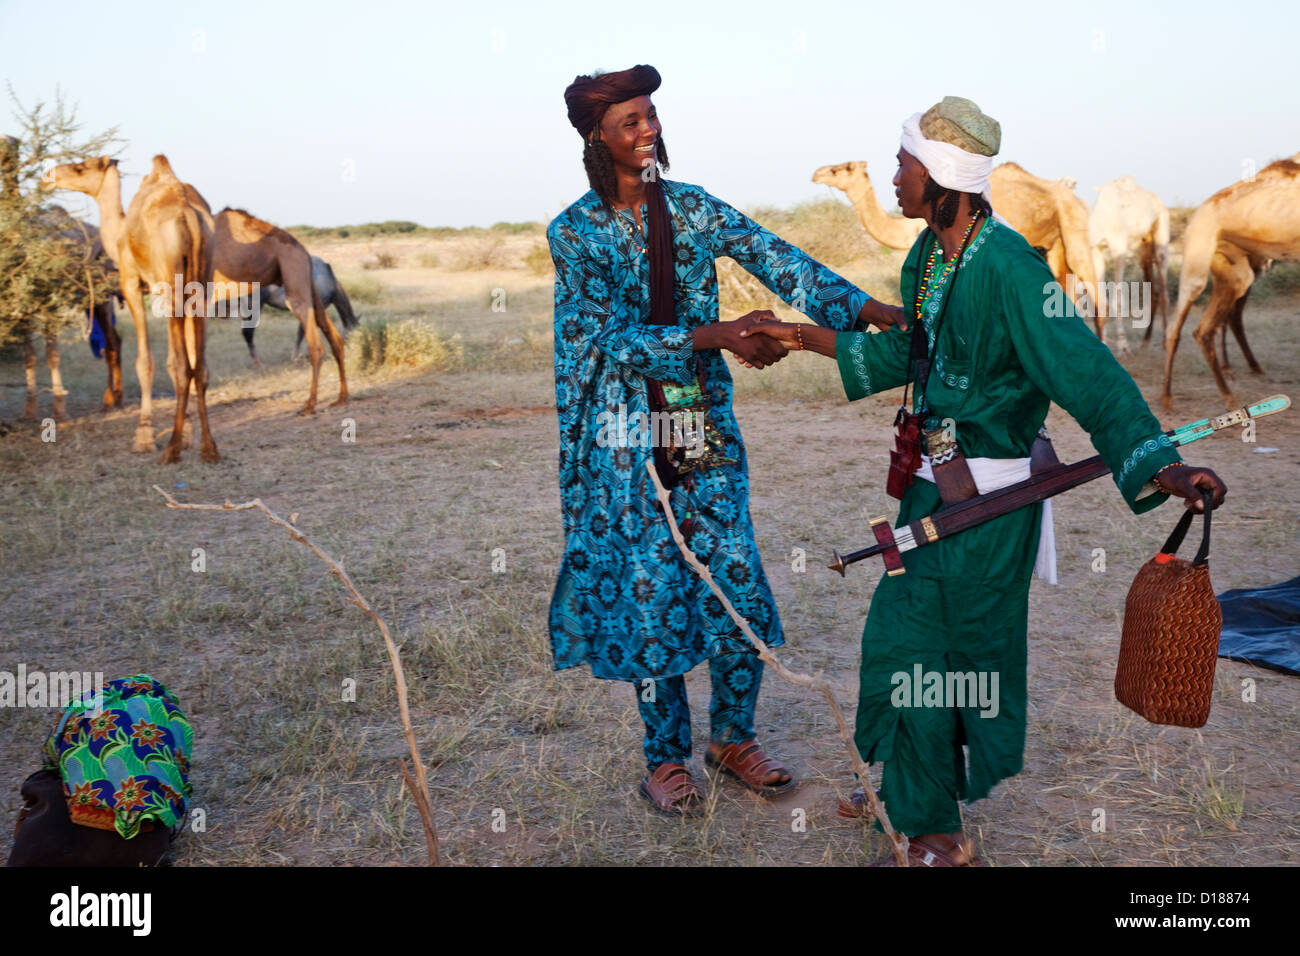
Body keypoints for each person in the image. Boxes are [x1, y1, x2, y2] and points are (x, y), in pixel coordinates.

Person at [743, 96, 1227, 865]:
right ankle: (911, 800)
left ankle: (937, 831)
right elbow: (916, 358)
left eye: (903, 164)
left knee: (944, 653)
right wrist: (799, 336)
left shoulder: (1007, 267)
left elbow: (1087, 371)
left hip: (991, 507)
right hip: (935, 490)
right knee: (917, 646)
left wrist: (1160, 464)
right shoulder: (932, 257)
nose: (894, 176)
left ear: (941, 177)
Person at [548, 64, 902, 814]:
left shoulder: (694, 208)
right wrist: (722, 334)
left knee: (735, 577)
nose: (649, 132)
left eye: (652, 117)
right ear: (595, 137)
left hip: (696, 421)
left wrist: (877, 313)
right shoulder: (574, 233)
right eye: (630, 123)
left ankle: (732, 737)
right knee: (651, 592)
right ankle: (665, 759)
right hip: (622, 433)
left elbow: (779, 260)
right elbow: (607, 338)